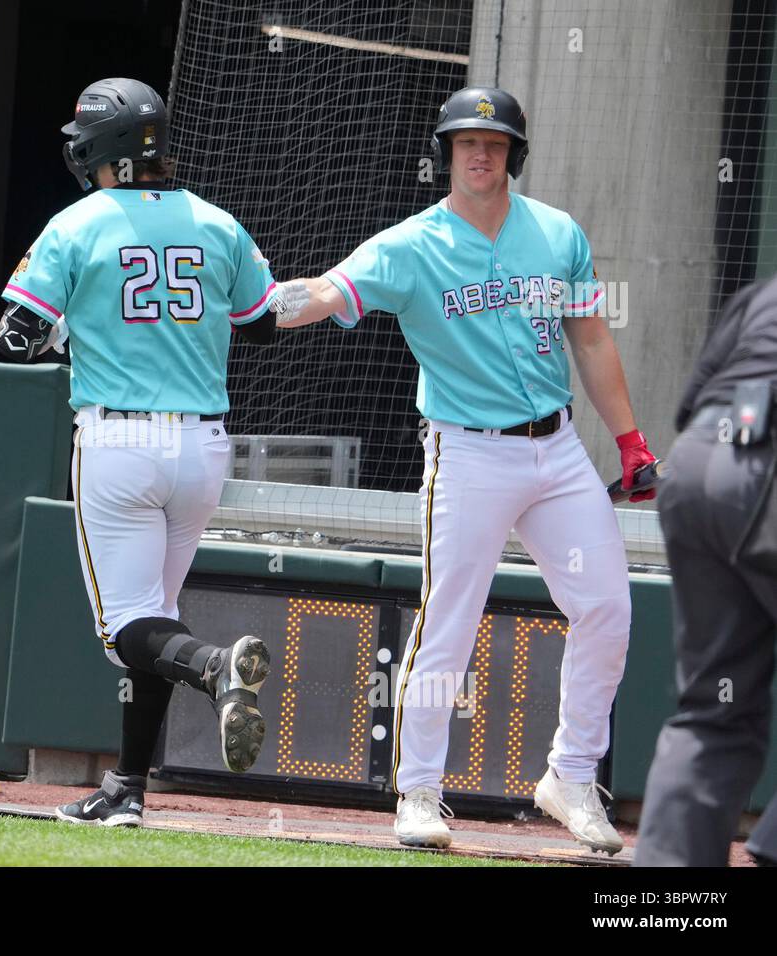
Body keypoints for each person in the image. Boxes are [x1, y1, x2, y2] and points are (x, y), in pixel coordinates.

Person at [274, 87, 655, 854]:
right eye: (464, 142)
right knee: (449, 622)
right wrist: (257, 307)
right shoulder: (410, 244)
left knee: (608, 609)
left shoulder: (558, 233)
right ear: (446, 153)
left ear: (515, 152)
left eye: (494, 142)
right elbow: (325, 291)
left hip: (556, 449)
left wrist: (631, 440)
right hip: (469, 450)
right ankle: (418, 793)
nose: (479, 154)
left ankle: (571, 776)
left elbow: (589, 337)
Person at [0, 77, 279, 826]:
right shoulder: (219, 223)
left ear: (104, 145)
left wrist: (80, 328)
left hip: (120, 441)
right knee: (158, 622)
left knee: (126, 630)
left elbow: (15, 336)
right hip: (205, 447)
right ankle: (126, 787)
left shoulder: (78, 222)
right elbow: (259, 324)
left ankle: (216, 669)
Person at [635, 276, 777, 867]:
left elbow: (690, 401)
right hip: (767, 471)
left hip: (699, 466)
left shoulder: (765, 292)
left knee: (715, 709)